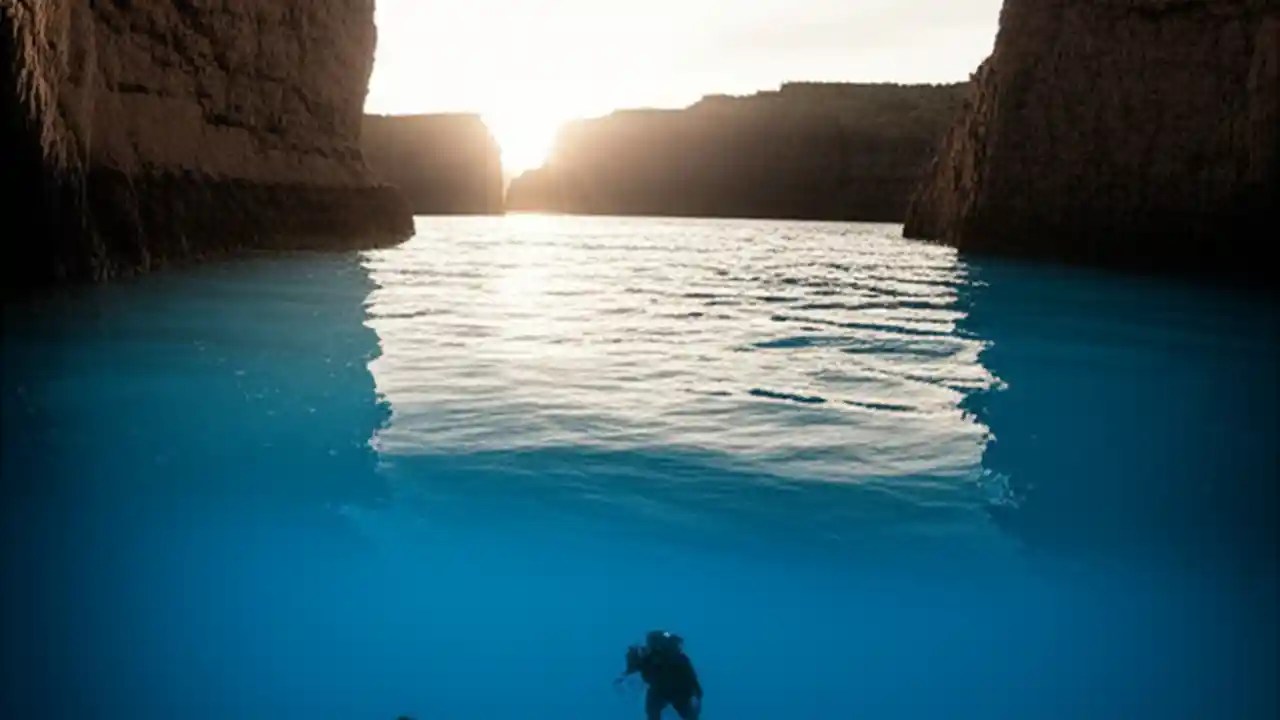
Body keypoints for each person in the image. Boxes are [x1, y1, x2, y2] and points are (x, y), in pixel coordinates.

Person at [616, 630, 703, 719]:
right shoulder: (677, 658)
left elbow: (691, 679)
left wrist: (695, 695)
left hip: (671, 692)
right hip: (670, 692)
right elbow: (692, 679)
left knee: (654, 710)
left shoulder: (673, 658)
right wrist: (695, 695)